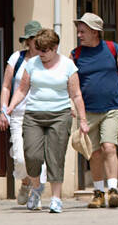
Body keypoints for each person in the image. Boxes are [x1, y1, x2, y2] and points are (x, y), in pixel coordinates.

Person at [6, 28, 89, 214]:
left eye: (45, 51)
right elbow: (22, 89)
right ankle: (36, 189)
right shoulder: (32, 64)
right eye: (39, 50)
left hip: (60, 115)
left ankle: (56, 198)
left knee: (55, 157)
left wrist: (83, 119)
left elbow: (76, 95)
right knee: (32, 156)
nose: (41, 54)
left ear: (55, 48)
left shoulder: (68, 65)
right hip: (34, 115)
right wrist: (11, 107)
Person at [73, 12, 118, 209]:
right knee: (95, 153)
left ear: (94, 32)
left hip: (113, 108)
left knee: (109, 147)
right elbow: (70, 84)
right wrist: (72, 107)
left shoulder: (112, 49)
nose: (79, 35)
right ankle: (98, 193)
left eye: (83, 31)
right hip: (88, 111)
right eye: (79, 31)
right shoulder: (75, 55)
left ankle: (113, 190)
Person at [0, 21, 49, 209]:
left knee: (38, 157)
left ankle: (36, 195)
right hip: (19, 114)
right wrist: (4, 111)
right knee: (20, 158)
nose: (36, 43)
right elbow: (6, 86)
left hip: (41, 114)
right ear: (27, 41)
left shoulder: (48, 60)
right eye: (32, 39)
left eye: (38, 38)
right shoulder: (16, 59)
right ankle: (26, 181)